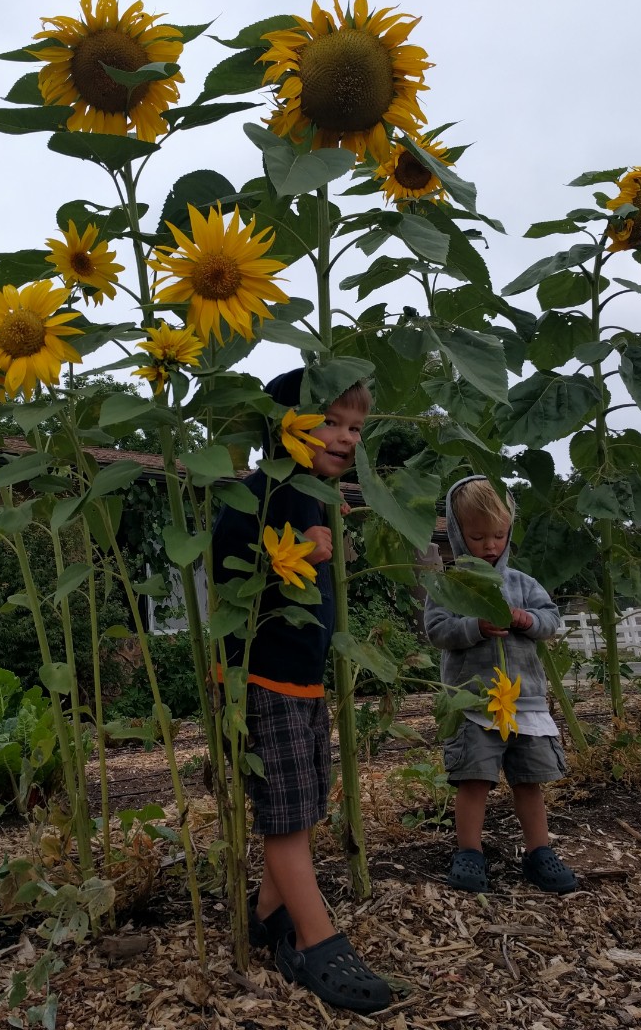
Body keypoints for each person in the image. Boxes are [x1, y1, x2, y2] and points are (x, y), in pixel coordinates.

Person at [211, 367, 391, 1013]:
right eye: (331, 423)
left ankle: (269, 914)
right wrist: (297, 547)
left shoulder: (312, 497)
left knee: (303, 799)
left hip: (302, 678)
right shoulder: (260, 492)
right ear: (286, 425)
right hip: (260, 676)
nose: (345, 438)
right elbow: (232, 563)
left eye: (355, 428)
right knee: (285, 816)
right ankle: (316, 940)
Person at [424, 475, 577, 894]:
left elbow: (550, 620)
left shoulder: (524, 584)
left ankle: (538, 850)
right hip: (474, 701)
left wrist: (527, 620)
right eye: (477, 536)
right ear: (457, 534)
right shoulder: (450, 583)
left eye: (498, 535)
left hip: (525, 701)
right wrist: (475, 625)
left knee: (529, 781)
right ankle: (470, 852)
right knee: (473, 778)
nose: (490, 545)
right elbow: (437, 630)